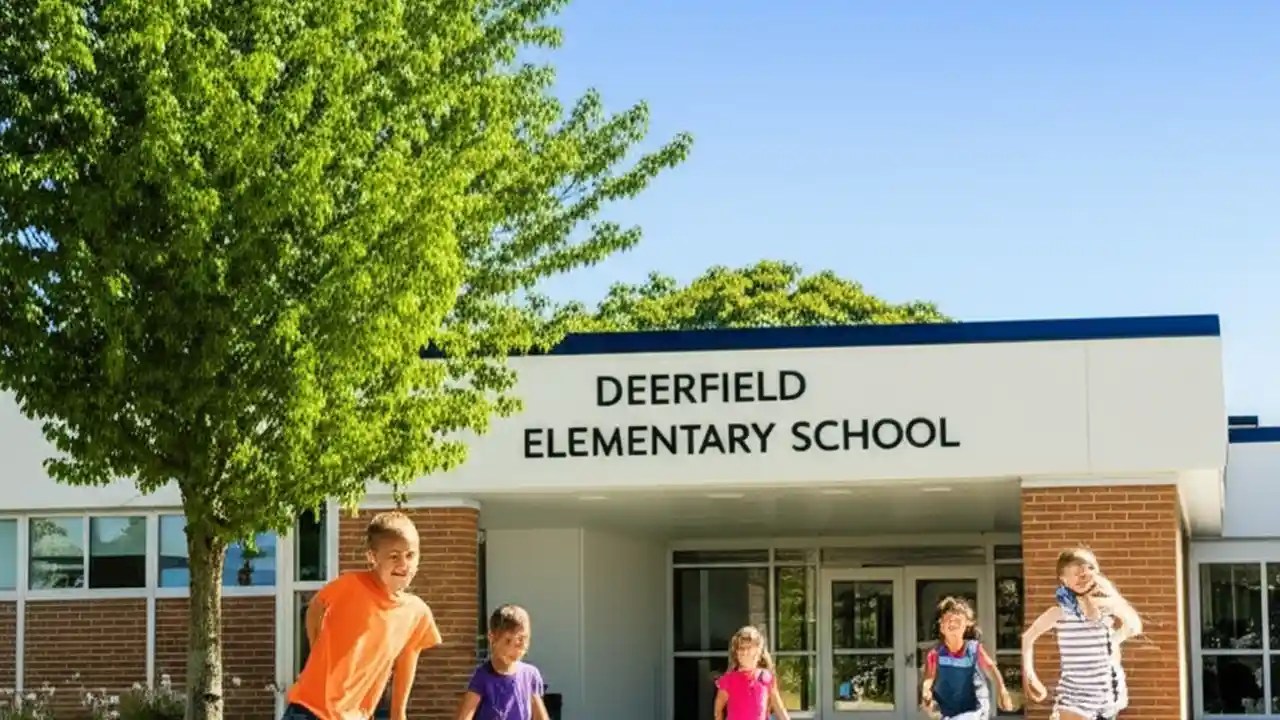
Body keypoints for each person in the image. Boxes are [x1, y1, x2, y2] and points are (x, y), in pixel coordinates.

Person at [281, 511, 442, 720]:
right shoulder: (350, 585)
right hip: (310, 708)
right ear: (372, 557)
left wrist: (398, 714)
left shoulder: (416, 613)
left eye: (410, 555)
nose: (404, 564)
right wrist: (316, 650)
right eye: (394, 556)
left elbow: (406, 662)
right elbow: (315, 607)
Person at [1022, 548, 1141, 720]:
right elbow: (1028, 637)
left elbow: (1134, 626)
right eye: (1076, 574)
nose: (1082, 577)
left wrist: (1112, 641)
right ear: (1063, 580)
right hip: (1074, 696)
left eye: (1087, 571)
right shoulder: (1060, 613)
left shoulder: (1106, 607)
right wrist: (1031, 676)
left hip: (1106, 696)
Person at [920, 596, 1015, 720]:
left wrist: (1002, 690)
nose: (952, 623)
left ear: (967, 625)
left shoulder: (974, 649)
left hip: (976, 708)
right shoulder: (935, 654)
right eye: (949, 620)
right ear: (941, 626)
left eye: (957, 621)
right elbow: (929, 679)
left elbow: (991, 668)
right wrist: (926, 692)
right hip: (949, 711)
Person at [455, 604, 550, 720]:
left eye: (521, 639)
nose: (516, 647)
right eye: (508, 640)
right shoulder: (482, 677)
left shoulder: (530, 675)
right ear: (492, 638)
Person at [714, 626, 791, 720]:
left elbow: (779, 708)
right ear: (736, 653)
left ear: (758, 652)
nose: (745, 652)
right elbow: (718, 710)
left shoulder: (766, 678)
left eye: (749, 648)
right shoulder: (728, 680)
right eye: (741, 648)